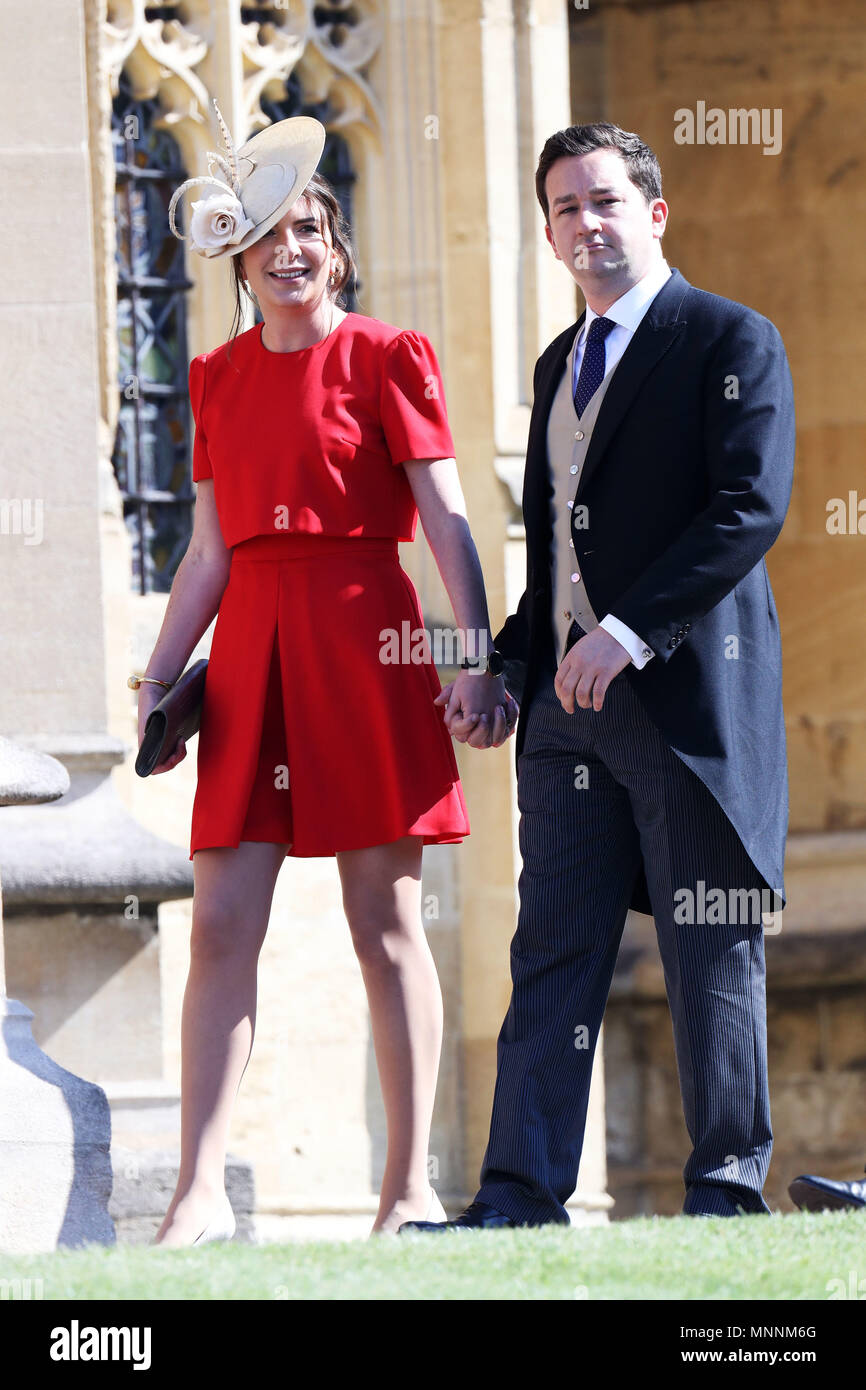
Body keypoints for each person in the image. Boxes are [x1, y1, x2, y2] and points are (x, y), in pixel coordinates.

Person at [132, 103, 517, 1245]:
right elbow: (205, 550)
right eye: (266, 238)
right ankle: (197, 1194)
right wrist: (160, 679)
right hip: (248, 648)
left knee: (384, 922)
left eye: (308, 228)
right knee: (220, 925)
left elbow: (445, 524)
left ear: (335, 246)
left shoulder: (389, 354)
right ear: (238, 263)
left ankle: (407, 1190)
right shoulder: (211, 379)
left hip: (368, 636)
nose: (289, 250)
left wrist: (472, 657)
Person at [401, 121, 795, 1232]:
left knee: (706, 941)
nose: (588, 223)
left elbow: (746, 510)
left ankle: (724, 1194)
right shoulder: (554, 366)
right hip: (567, 723)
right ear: (546, 232)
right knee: (551, 946)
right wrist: (504, 669)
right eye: (567, 208)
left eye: (607, 201)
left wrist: (627, 632)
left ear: (653, 212)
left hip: (683, 703)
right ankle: (517, 1199)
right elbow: (557, 561)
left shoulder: (726, 338)